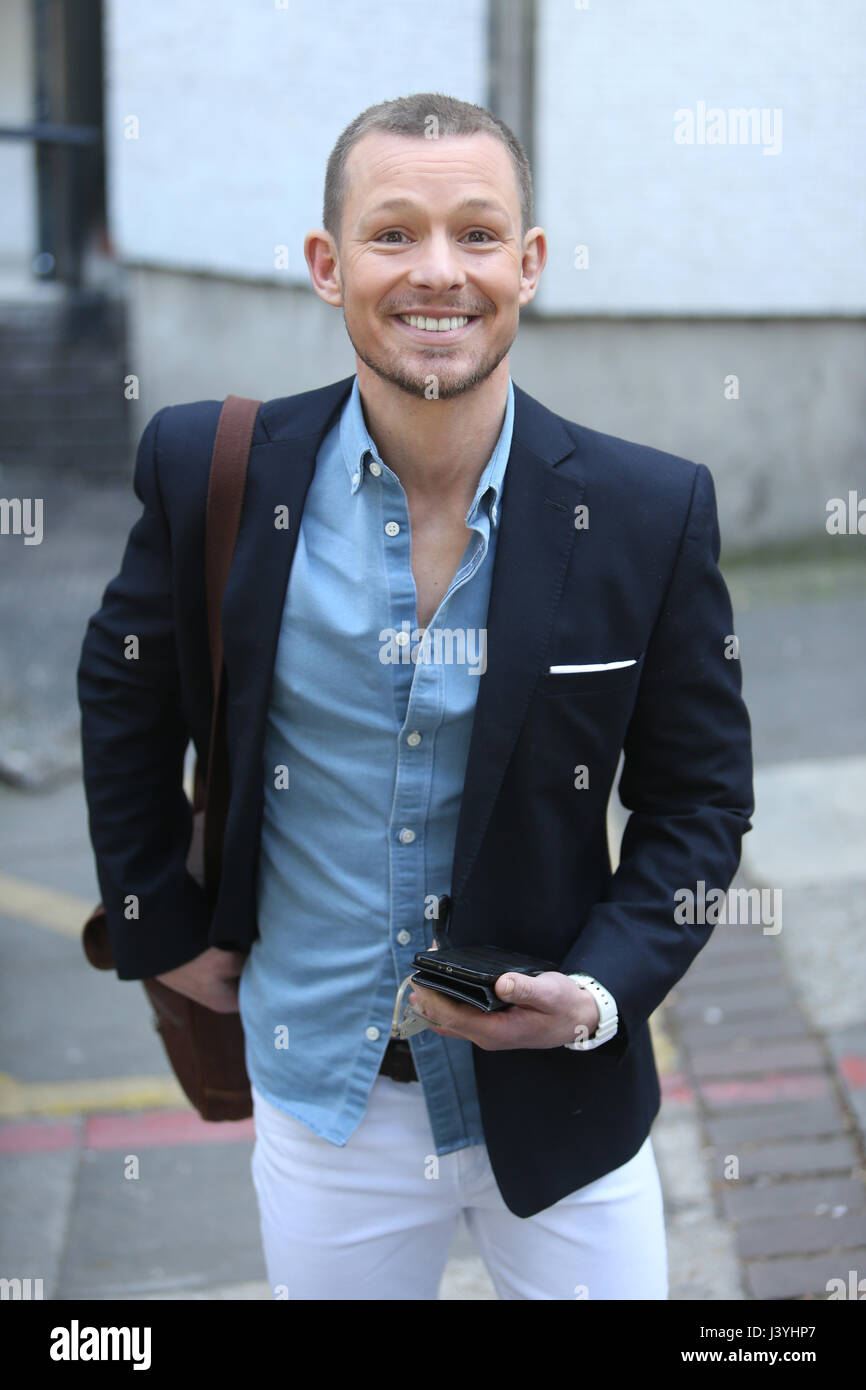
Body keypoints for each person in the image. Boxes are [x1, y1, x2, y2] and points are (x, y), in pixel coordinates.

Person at [77, 92, 754, 1300]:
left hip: (564, 1108)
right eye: (392, 234)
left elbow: (698, 805)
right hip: (324, 1099)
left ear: (529, 264)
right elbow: (124, 694)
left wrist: (598, 993)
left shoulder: (649, 513)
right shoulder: (211, 471)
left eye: (476, 234)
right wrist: (158, 929)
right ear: (327, 267)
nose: (436, 272)